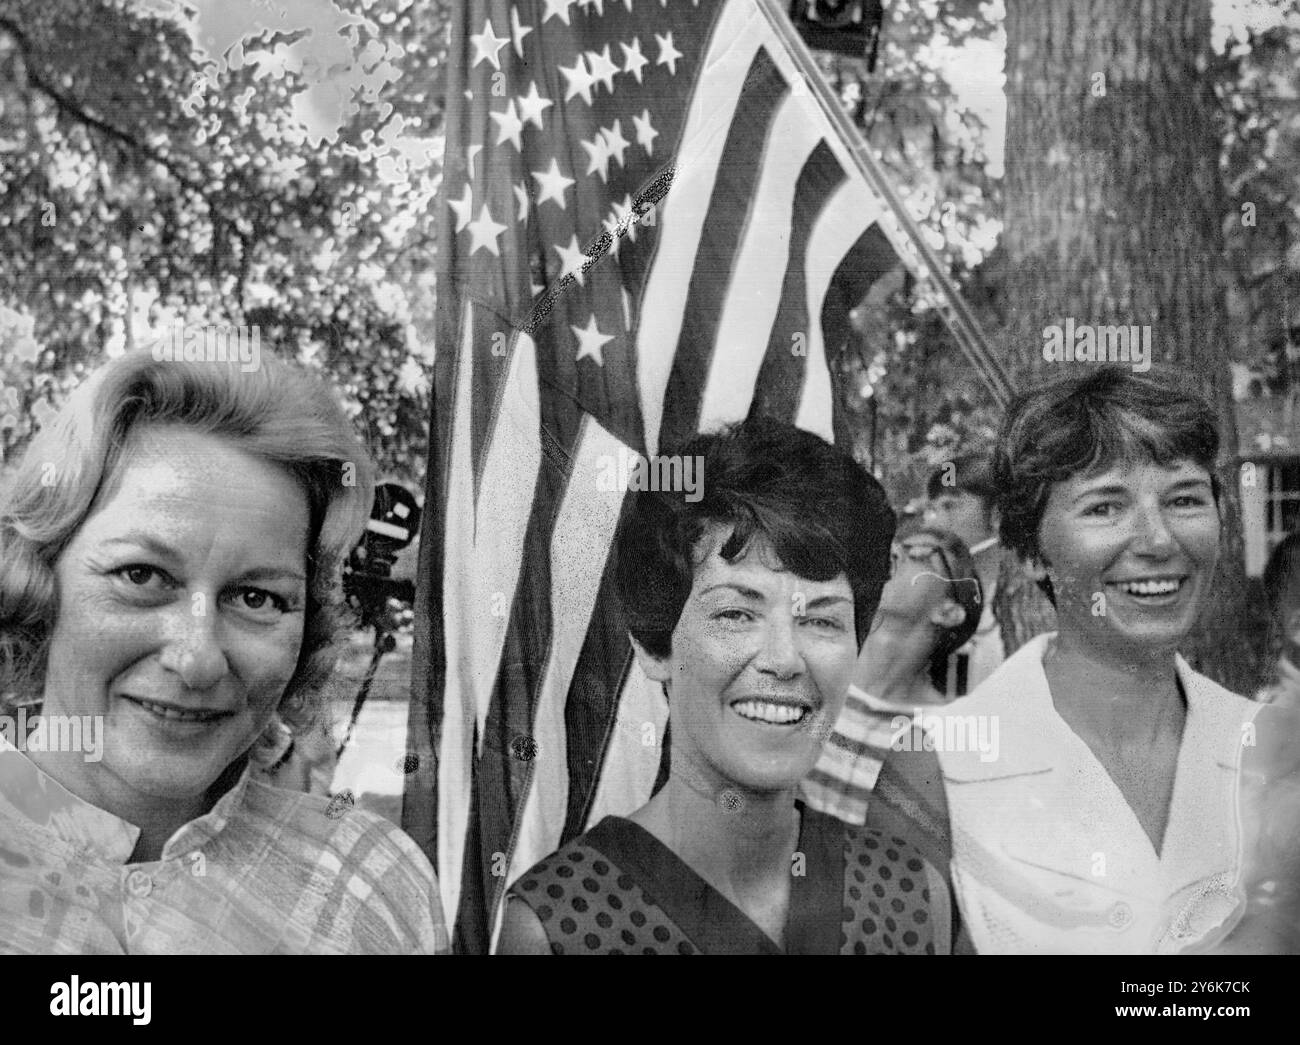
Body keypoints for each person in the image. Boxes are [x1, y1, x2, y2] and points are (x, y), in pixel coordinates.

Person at [0, 349, 447, 954]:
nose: (198, 659)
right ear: (38, 583)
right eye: (141, 575)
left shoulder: (371, 887)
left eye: (256, 597)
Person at [497, 416, 958, 954]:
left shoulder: (911, 896)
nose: (785, 660)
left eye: (822, 619)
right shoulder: (561, 926)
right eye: (736, 614)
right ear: (653, 645)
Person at [868, 365, 1261, 954]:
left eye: (1184, 499)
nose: (1157, 541)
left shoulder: (1274, 748)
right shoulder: (938, 768)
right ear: (1030, 552)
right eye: (1104, 507)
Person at [802, 525, 982, 824]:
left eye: (922, 553)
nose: (894, 553)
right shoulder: (807, 677)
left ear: (949, 612)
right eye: (894, 545)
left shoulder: (946, 737)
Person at [924, 454, 1006, 695]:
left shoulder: (1029, 603)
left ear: (997, 515)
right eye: (932, 510)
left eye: (950, 506)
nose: (934, 524)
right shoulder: (927, 598)